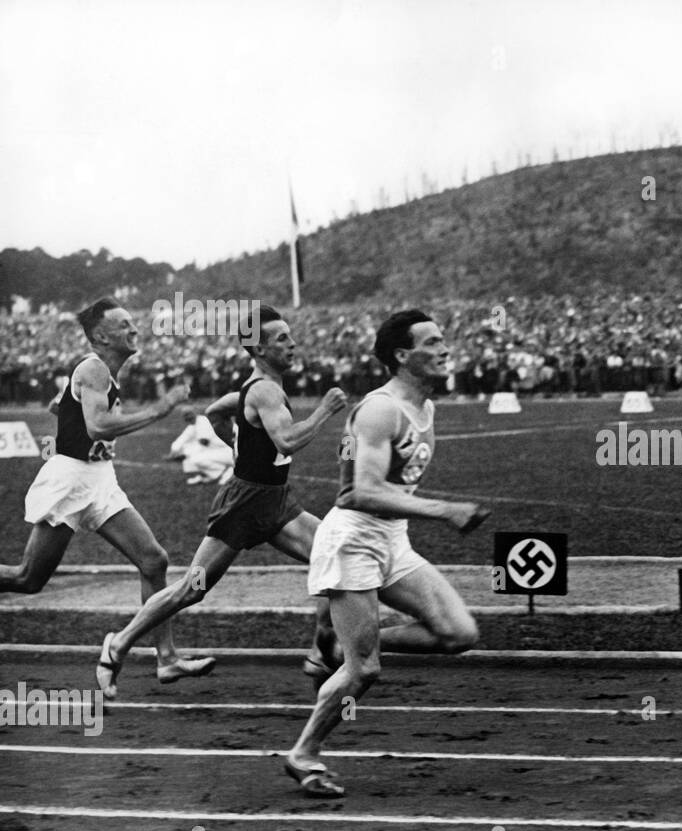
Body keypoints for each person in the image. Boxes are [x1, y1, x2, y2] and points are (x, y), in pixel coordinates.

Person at [285, 309, 490, 797]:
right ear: (403, 355)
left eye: (444, 340)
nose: (445, 349)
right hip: (353, 539)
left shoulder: (427, 408)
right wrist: (445, 511)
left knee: (459, 633)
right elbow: (359, 492)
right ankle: (304, 753)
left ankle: (341, 643)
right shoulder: (380, 410)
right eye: (433, 342)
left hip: (391, 539)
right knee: (365, 671)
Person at [98, 305, 348, 698]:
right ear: (261, 350)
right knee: (192, 588)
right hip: (243, 507)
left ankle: (321, 651)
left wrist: (236, 444)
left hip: (277, 502)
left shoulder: (259, 386)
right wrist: (324, 411)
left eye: (290, 335)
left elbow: (215, 412)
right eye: (282, 338)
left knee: (335, 556)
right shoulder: (264, 390)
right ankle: (119, 644)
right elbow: (288, 440)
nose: (293, 343)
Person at [1, 298, 211, 683]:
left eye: (133, 322)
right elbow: (98, 427)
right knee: (27, 579)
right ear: (101, 335)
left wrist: (63, 407)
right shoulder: (94, 368)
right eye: (125, 324)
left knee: (154, 561)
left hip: (99, 478)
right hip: (71, 479)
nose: (135, 329)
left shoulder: (102, 372)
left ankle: (166, 658)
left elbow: (73, 410)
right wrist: (159, 409)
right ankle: (161, 655)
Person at [167, 407, 234, 485]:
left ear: (196, 412)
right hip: (217, 451)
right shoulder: (193, 425)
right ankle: (215, 474)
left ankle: (225, 471)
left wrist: (185, 453)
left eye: (189, 414)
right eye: (185, 416)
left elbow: (204, 442)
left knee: (194, 458)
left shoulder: (203, 422)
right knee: (188, 460)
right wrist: (174, 452)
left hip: (226, 451)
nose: (188, 417)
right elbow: (182, 438)